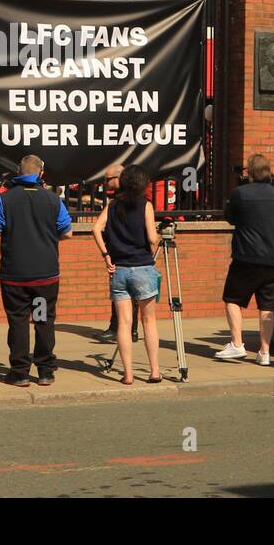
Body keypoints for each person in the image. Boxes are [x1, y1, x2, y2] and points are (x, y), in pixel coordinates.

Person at [0, 155, 72, 386]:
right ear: (41, 173)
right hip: (45, 276)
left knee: (18, 321)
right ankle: (45, 371)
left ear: (19, 172)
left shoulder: (5, 200)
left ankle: (19, 372)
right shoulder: (53, 200)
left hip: (15, 276)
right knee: (42, 320)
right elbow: (67, 232)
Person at [216, 152, 274, 366]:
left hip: (246, 257)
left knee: (232, 299)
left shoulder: (241, 193)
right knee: (267, 307)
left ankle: (237, 345)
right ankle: (265, 352)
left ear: (251, 172)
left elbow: (230, 217)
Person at [92, 164, 162, 385]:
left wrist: (106, 255)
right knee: (148, 321)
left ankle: (128, 374)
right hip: (142, 267)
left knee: (123, 323)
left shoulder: (113, 205)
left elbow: (96, 228)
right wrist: (159, 239)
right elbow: (152, 238)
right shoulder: (146, 205)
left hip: (119, 269)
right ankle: (154, 371)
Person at [95, 165, 138, 345]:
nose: (105, 183)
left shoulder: (119, 203)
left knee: (120, 292)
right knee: (130, 293)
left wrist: (106, 253)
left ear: (119, 178)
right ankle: (130, 329)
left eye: (108, 179)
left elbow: (97, 228)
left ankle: (118, 328)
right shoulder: (135, 199)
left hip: (122, 254)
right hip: (130, 254)